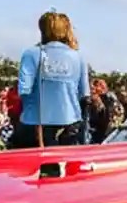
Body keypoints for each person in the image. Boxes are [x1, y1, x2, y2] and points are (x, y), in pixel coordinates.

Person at [15, 11, 90, 148]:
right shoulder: (78, 57)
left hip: (35, 124)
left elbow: (24, 89)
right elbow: (84, 93)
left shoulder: (32, 54)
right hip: (70, 123)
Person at [86, 78, 123, 143]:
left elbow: (119, 112)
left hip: (108, 131)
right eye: (98, 85)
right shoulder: (91, 99)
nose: (101, 87)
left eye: (102, 85)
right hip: (96, 132)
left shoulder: (110, 97)